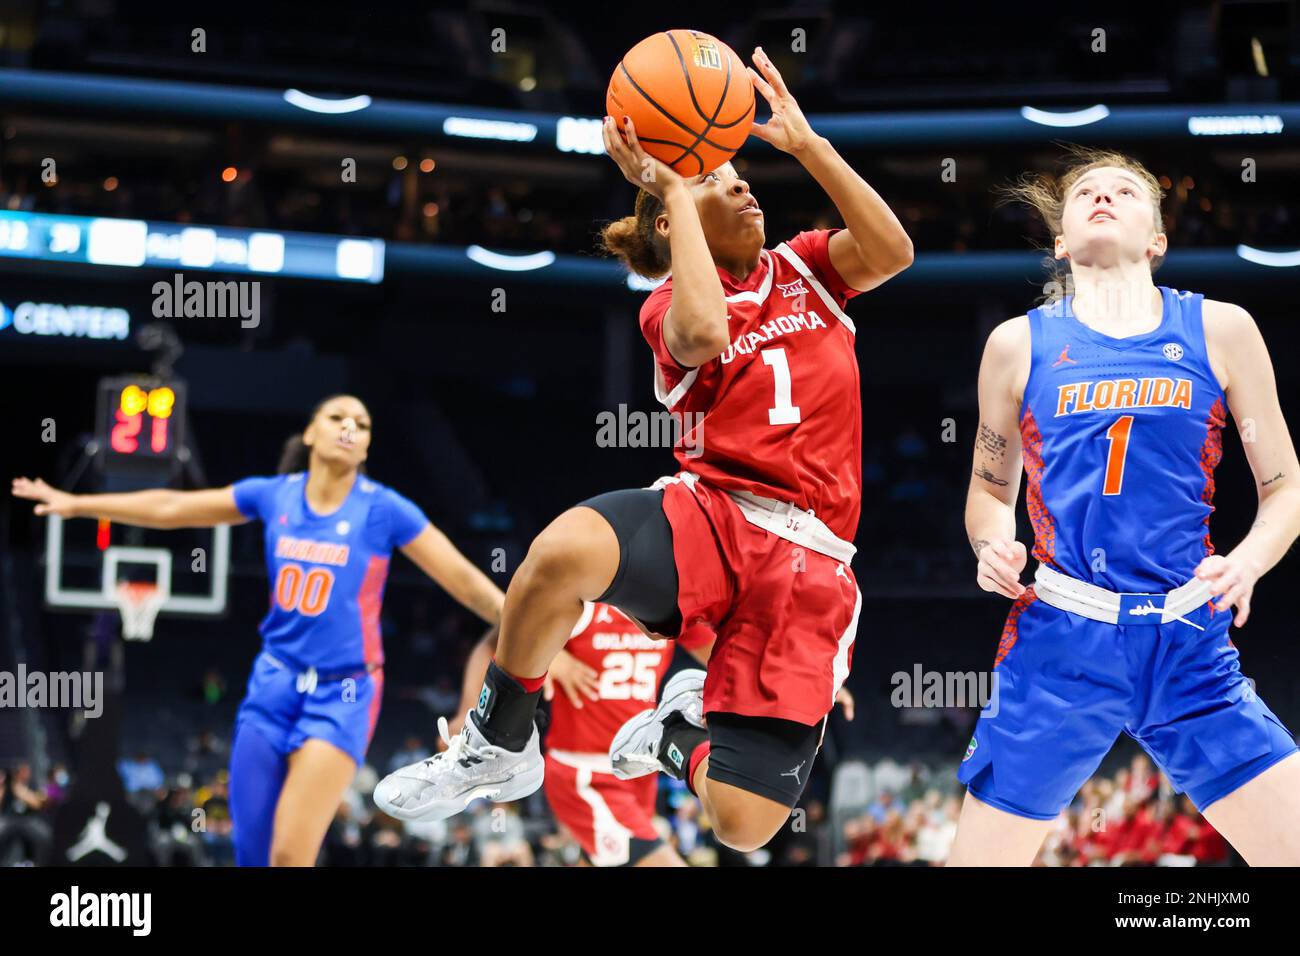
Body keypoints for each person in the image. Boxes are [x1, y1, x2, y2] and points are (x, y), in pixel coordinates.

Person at [375, 47, 912, 853]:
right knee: (559, 552)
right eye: (714, 177)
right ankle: (498, 744)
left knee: (741, 827)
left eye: (741, 173)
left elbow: (895, 252)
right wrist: (671, 187)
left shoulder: (808, 267)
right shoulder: (665, 306)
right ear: (670, 222)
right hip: (718, 517)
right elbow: (706, 331)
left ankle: (671, 737)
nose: (740, 181)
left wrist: (808, 146)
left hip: (812, 559)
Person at [951, 148, 1300, 865]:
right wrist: (993, 545)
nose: (1101, 197)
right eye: (1084, 192)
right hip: (1059, 640)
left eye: (1123, 192)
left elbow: (1285, 488)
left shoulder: (1221, 329)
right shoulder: (1017, 344)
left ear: (1157, 240)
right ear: (1059, 241)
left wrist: (1250, 562)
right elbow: (990, 492)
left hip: (1187, 639)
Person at [12, 394, 504, 865]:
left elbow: (462, 580)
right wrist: (78, 505)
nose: (350, 427)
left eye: (363, 423)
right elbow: (175, 508)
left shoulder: (384, 509)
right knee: (252, 852)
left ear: (369, 445)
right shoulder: (273, 495)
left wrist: (541, 633)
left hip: (345, 692)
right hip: (274, 680)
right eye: (337, 417)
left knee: (290, 855)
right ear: (311, 433)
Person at [449, 602, 712, 866]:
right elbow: (498, 637)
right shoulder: (585, 603)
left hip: (639, 771)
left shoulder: (669, 606)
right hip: (585, 776)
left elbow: (722, 657)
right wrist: (468, 712)